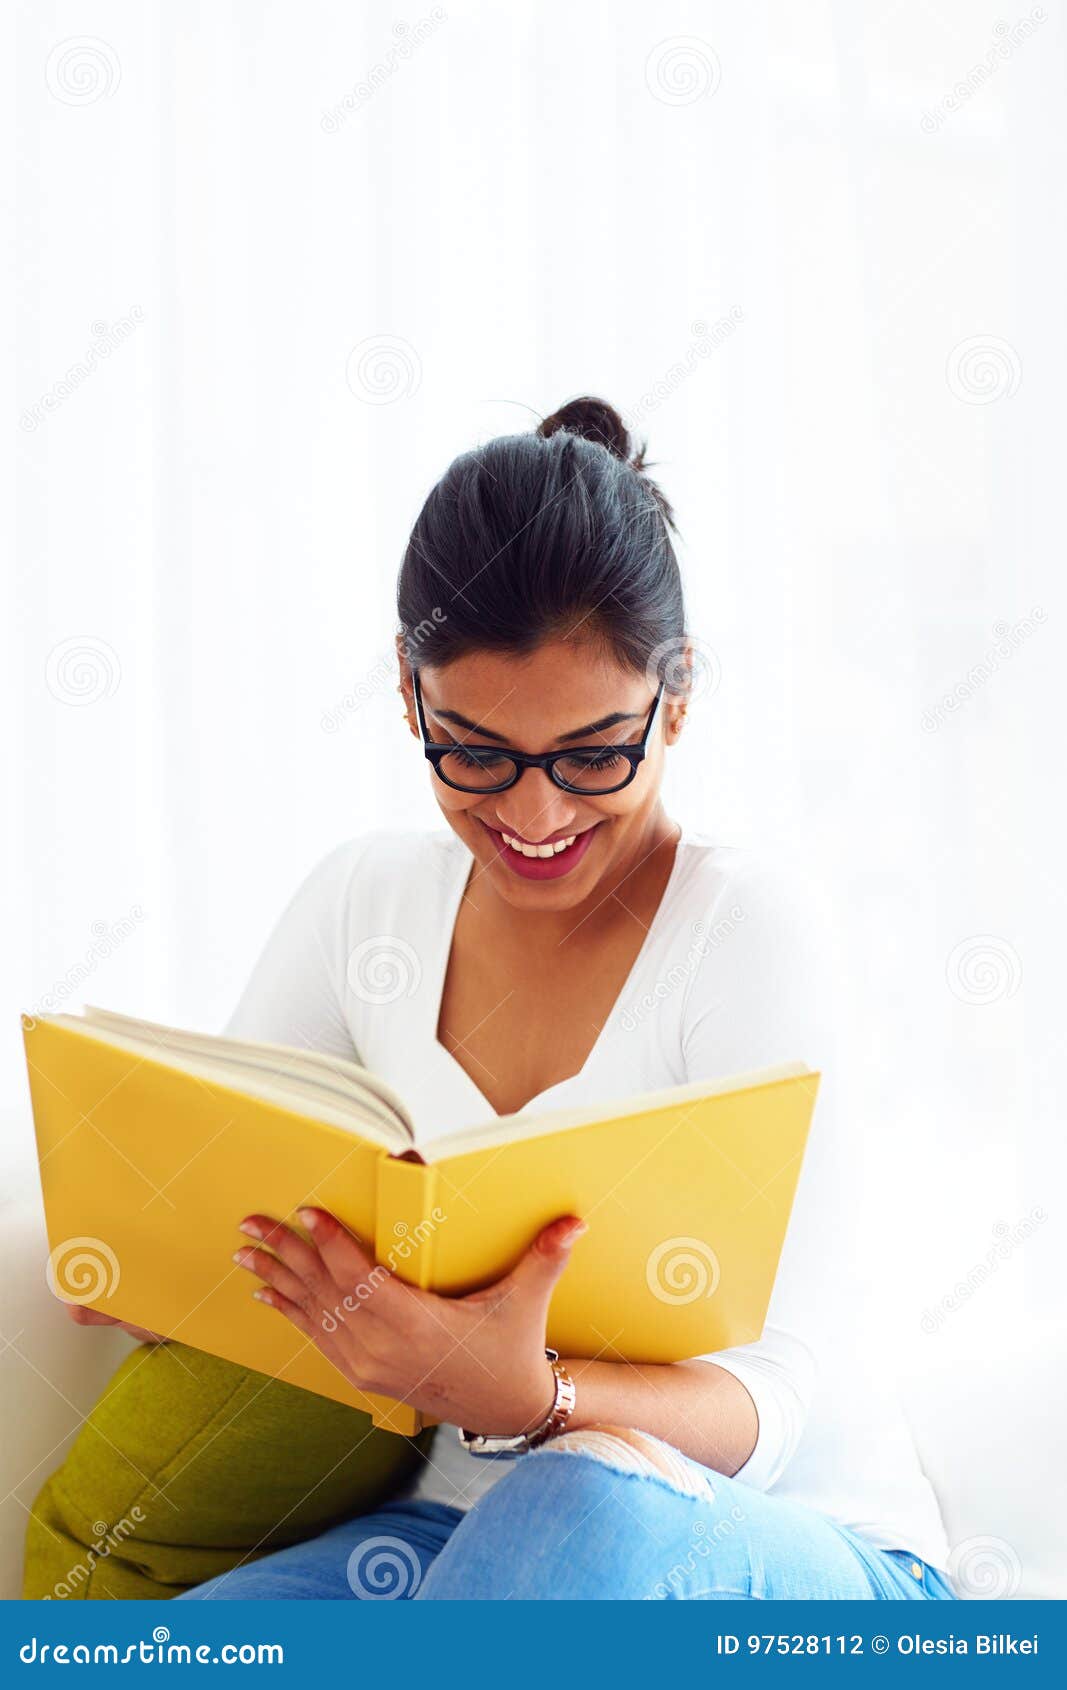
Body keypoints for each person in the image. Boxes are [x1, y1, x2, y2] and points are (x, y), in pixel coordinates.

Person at [81, 398, 957, 1601]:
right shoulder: (361, 905)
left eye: (594, 753)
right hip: (456, 1547)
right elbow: (237, 1203)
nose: (534, 817)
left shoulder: (747, 930)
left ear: (678, 694)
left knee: (584, 1497)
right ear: (407, 696)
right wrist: (162, 1271)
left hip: (769, 1540)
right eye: (475, 753)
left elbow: (773, 1404)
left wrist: (526, 1397)